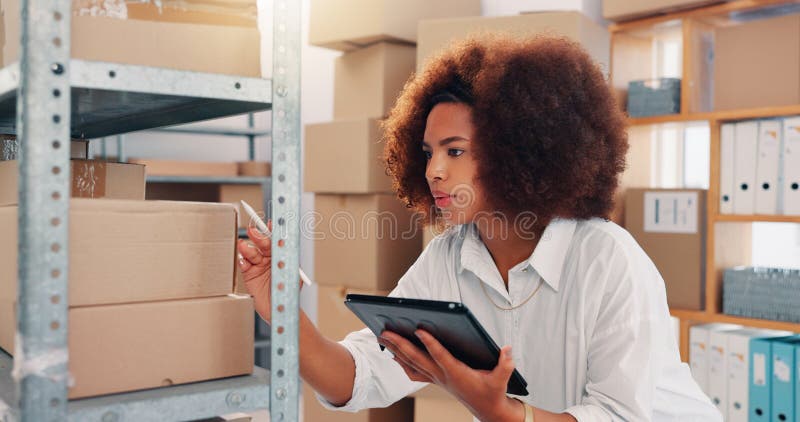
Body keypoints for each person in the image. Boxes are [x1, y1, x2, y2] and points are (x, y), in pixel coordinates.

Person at [237, 35, 722, 421]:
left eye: (455, 150)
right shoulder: (450, 257)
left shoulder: (607, 258)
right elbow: (363, 375)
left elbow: (618, 415)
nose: (433, 172)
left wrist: (501, 412)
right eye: (428, 153)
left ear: (520, 148)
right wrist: (284, 314)